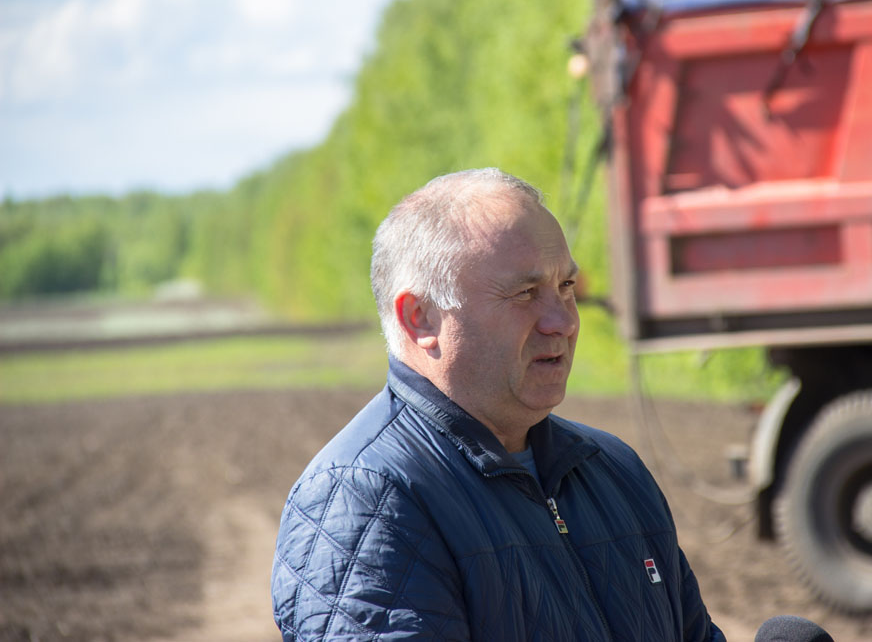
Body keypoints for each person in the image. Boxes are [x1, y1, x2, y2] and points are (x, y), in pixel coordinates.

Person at [271, 168, 726, 641]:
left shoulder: (613, 469)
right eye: (525, 293)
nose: (562, 322)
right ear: (420, 318)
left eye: (566, 288)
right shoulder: (368, 498)